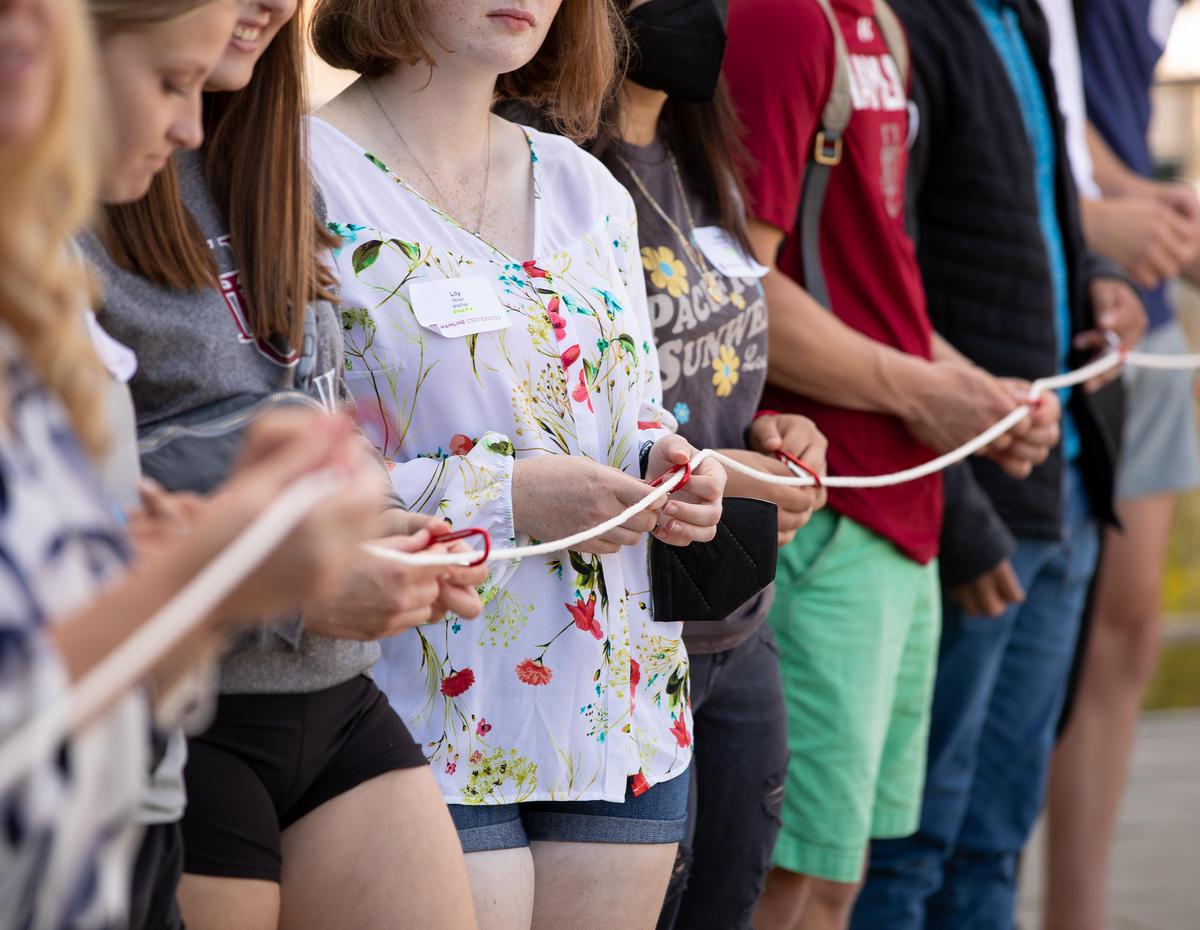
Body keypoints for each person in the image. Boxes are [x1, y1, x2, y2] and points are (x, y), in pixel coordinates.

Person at [307, 1, 728, 927]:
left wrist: (669, 465)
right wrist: (505, 496)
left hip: (615, 709)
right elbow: (281, 477)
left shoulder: (587, 186)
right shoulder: (302, 176)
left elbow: (630, 407)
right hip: (413, 705)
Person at [80, 2, 489, 928]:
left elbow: (304, 412)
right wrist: (294, 591)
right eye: (166, 87)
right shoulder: (61, 201)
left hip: (335, 694)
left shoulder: (263, 158)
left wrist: (378, 528)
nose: (265, 7)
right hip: (185, 721)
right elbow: (84, 514)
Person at [0, 0, 387, 926]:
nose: (187, 126)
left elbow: (94, 628)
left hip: (123, 820)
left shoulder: (43, 298)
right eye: (172, 80)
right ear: (31, 44)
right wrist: (215, 569)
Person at [722, 1, 1061, 927]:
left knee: (838, 881)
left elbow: (880, 280)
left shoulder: (879, 23)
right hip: (830, 508)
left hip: (901, 504)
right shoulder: (783, 19)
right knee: (789, 886)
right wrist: (926, 394)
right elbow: (738, 292)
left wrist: (979, 396)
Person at [851, 0, 1143, 926]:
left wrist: (1099, 280)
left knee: (997, 838)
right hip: (966, 505)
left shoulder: (1018, 17)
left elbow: (1035, 219)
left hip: (1061, 487)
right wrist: (963, 516)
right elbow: (878, 286)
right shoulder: (905, 28)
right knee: (908, 849)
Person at [591, 3, 827, 928]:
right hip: (629, 632)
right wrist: (711, 464)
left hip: (738, 610)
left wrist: (776, 431)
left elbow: (712, 367)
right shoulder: (556, 172)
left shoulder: (703, 158)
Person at [1045, 4, 1200, 928]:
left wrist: (1144, 199)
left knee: (1131, 626)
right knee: (1043, 625)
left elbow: (1080, 117)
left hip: (1138, 291)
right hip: (1066, 294)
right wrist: (1104, 214)